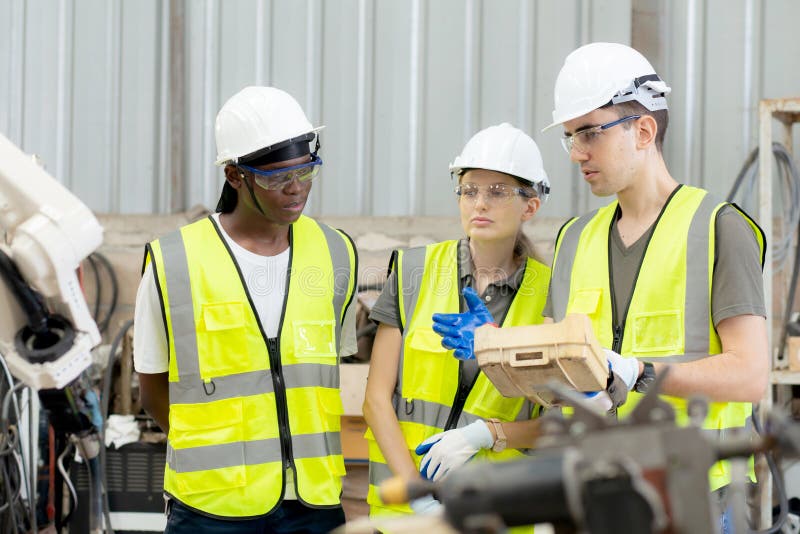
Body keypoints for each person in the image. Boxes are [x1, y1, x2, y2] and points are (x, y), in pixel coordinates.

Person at [436, 42, 768, 531]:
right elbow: (557, 379)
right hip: (599, 495)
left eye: (590, 132)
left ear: (644, 131)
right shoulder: (575, 239)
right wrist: (499, 347)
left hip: (701, 498)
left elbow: (749, 375)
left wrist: (636, 372)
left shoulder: (718, 227)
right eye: (570, 137)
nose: (576, 153)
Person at [133, 86, 358, 533]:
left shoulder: (337, 253)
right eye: (277, 178)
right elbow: (152, 389)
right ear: (235, 176)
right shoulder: (173, 262)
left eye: (306, 170)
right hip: (211, 509)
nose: (296, 188)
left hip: (314, 502)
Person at [362, 123, 552, 518]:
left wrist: (487, 435)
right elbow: (376, 399)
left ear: (530, 206)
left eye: (497, 192)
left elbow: (555, 422)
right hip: (404, 518)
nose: (479, 203)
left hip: (493, 514)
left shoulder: (551, 293)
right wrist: (416, 492)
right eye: (469, 190)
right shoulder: (414, 271)